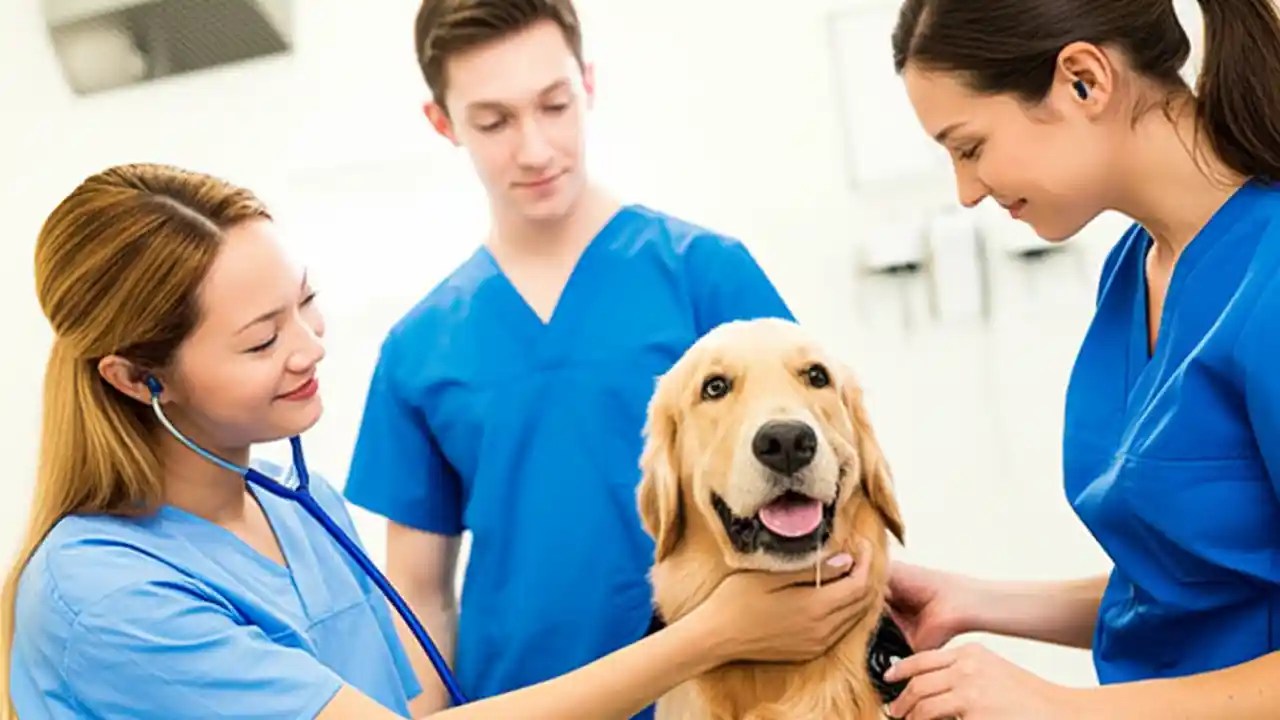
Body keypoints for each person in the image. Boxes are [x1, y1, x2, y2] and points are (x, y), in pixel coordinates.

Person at [0, 162, 877, 720]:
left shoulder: (302, 510)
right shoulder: (101, 596)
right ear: (135, 377)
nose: (310, 348)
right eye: (261, 340)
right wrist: (706, 636)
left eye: (304, 303)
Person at [340, 1, 796, 716]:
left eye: (554, 105)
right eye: (493, 122)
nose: (535, 148)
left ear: (587, 84)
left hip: (720, 696)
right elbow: (422, 598)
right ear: (443, 122)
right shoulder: (419, 349)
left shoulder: (705, 277)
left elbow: (812, 496)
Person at [879, 0, 1280, 718]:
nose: (966, 193)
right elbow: (1202, 582)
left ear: (1084, 81)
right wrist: (975, 602)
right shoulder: (1136, 269)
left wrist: (1061, 708)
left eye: (969, 148)